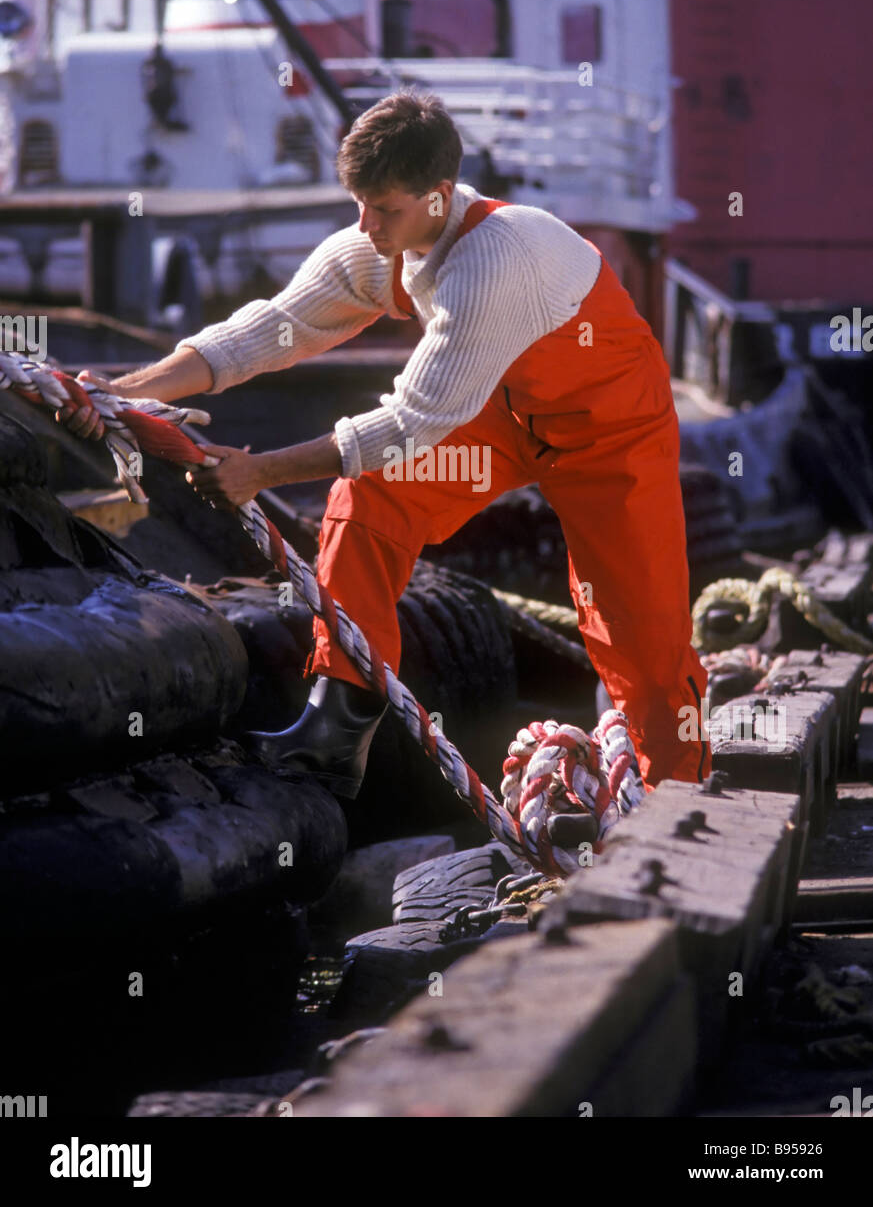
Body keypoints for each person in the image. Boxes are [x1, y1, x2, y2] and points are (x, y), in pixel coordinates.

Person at [60, 90, 708, 800]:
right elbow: (269, 330)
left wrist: (260, 471)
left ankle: (676, 802)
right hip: (499, 409)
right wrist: (123, 393)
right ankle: (337, 729)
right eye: (358, 205)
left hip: (606, 424)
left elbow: (408, 424)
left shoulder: (496, 258)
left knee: (636, 635)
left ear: (437, 197)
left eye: (385, 209)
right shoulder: (379, 242)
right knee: (369, 496)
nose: (366, 226)